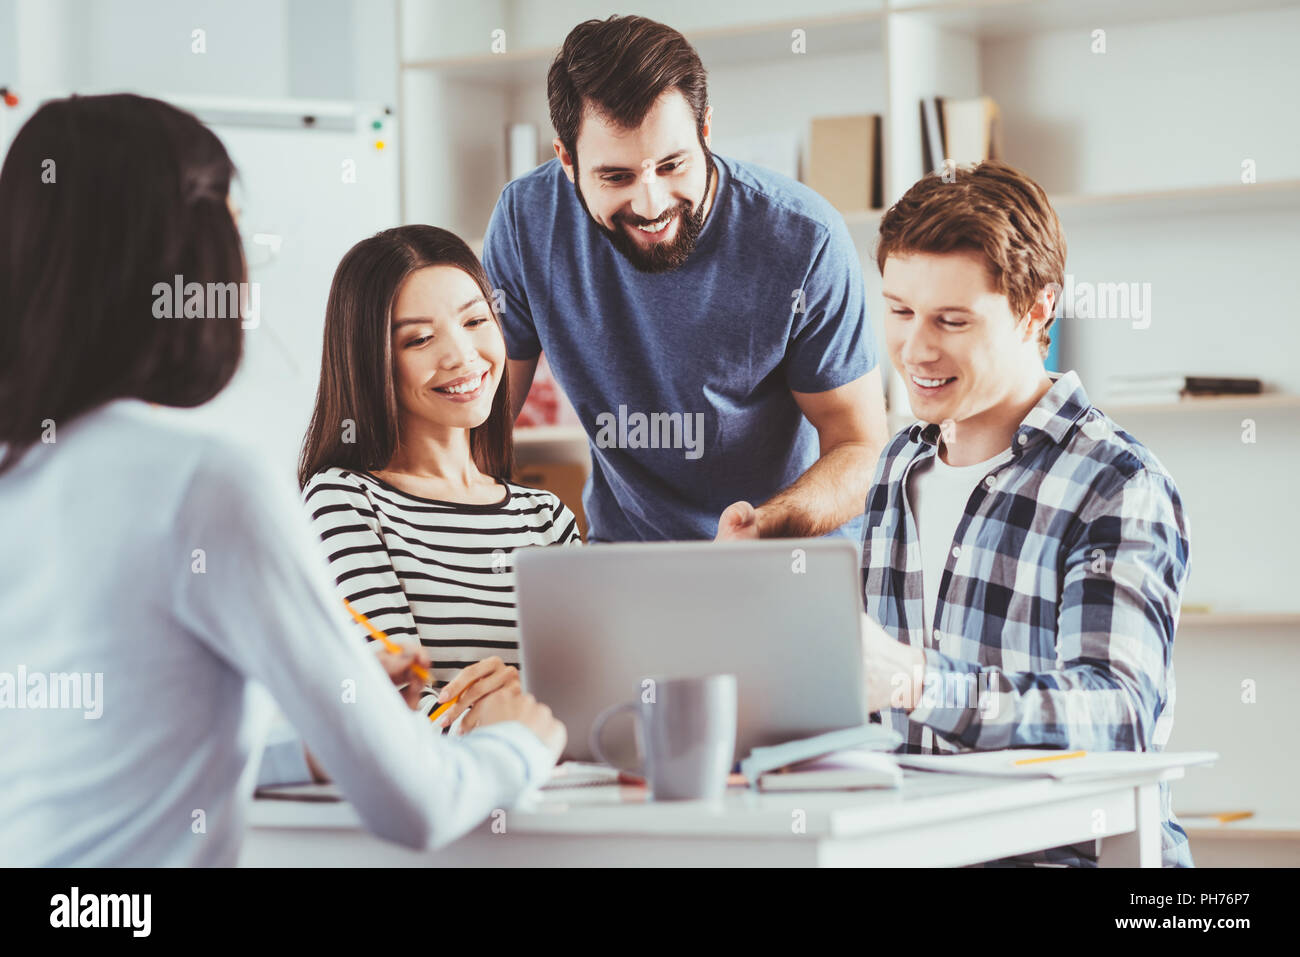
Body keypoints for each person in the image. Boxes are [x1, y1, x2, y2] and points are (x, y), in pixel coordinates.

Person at [0, 93, 564, 866]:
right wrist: (516, 742)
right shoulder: (204, 482)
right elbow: (418, 804)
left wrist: (313, 735)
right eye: (232, 231)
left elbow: (120, 753)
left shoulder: (25, 473)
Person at [855, 160, 1193, 867]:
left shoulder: (1117, 482)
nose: (915, 349)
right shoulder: (896, 468)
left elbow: (1117, 713)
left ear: (1038, 309)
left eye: (952, 320)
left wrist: (920, 682)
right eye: (899, 310)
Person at [482, 14, 889, 544]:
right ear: (566, 159)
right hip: (624, 559)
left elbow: (859, 446)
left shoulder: (804, 238)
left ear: (705, 131)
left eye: (672, 165)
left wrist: (766, 525)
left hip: (785, 555)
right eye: (616, 176)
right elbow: (484, 418)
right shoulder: (526, 222)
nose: (651, 203)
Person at [298, 225, 582, 725]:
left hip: (557, 786)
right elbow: (388, 705)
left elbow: (592, 695)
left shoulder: (545, 517)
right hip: (458, 790)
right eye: (421, 339)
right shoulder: (345, 502)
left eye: (475, 321)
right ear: (372, 362)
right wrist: (504, 721)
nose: (461, 356)